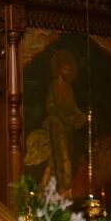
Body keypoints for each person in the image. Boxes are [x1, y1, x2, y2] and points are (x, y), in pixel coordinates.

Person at [44, 49, 85, 196]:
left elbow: (73, 107)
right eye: (64, 69)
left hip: (68, 126)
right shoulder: (53, 86)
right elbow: (50, 105)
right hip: (56, 124)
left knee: (69, 154)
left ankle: (67, 188)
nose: (66, 72)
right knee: (60, 156)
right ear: (58, 69)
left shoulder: (69, 88)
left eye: (68, 70)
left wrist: (81, 116)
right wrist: (60, 114)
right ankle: (60, 186)